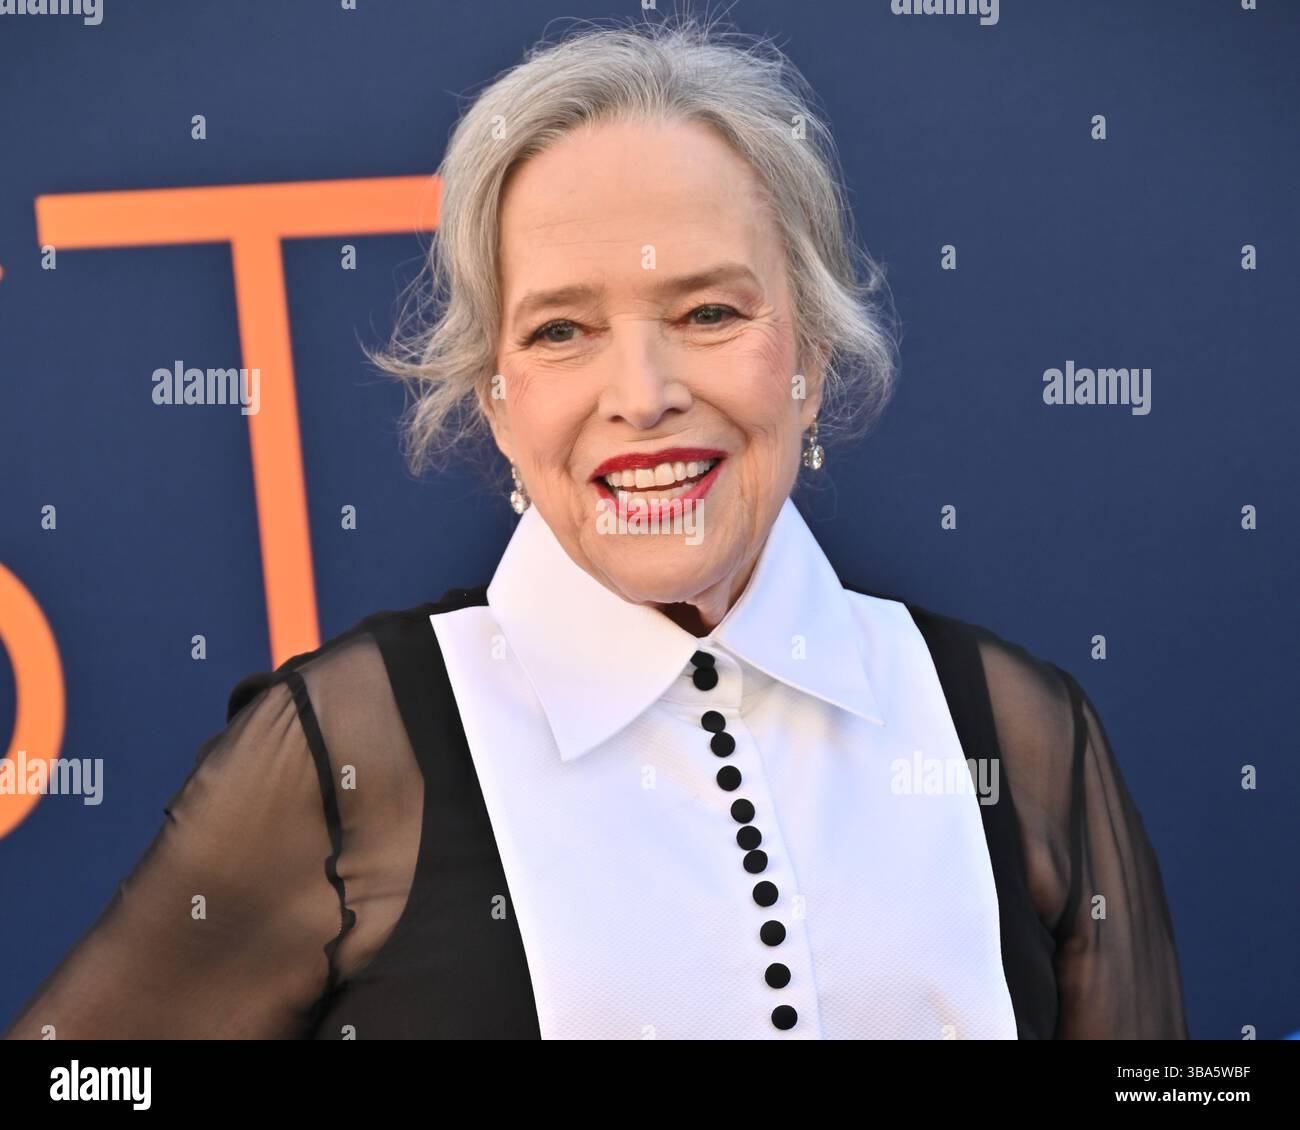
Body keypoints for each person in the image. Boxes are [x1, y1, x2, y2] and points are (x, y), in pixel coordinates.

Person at [3, 16, 1187, 1040]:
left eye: (711, 309)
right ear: (496, 399)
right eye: (562, 331)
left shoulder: (1016, 731)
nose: (644, 390)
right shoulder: (349, 753)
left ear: (810, 359)